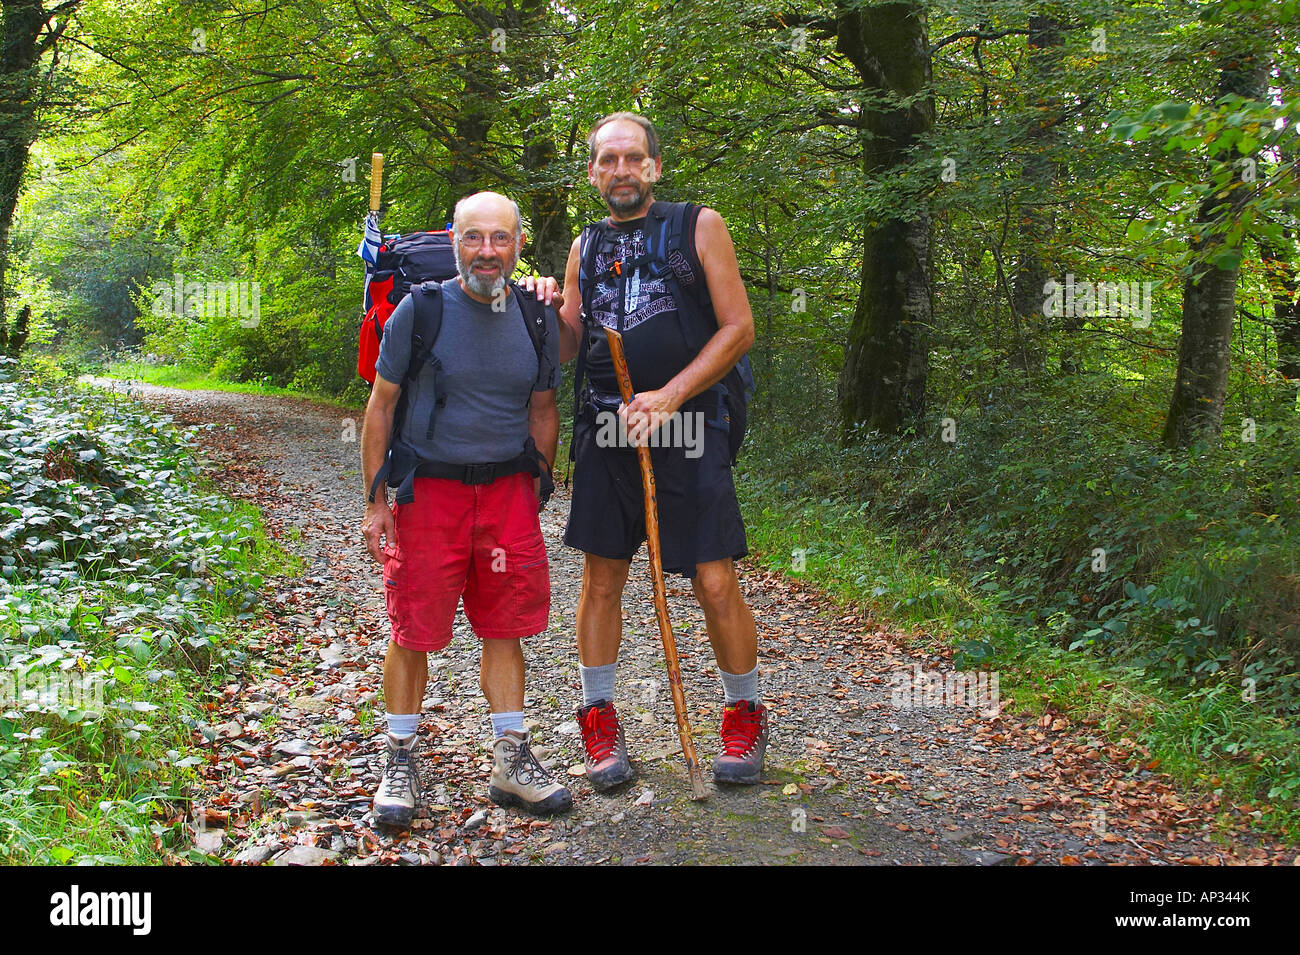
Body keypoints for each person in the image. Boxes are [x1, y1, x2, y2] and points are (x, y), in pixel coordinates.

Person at [556, 112, 767, 789]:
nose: (620, 169)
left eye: (632, 158)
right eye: (607, 160)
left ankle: (744, 713)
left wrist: (672, 395)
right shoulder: (584, 245)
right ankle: (598, 716)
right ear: (592, 172)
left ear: (653, 167)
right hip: (607, 428)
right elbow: (564, 344)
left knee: (713, 578)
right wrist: (530, 304)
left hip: (690, 423)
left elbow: (738, 329)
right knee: (602, 579)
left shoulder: (698, 225)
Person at [361, 191, 571, 825]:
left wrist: (537, 488)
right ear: (453, 241)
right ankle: (399, 757)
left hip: (507, 494)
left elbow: (543, 411)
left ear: (517, 245)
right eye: (474, 237)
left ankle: (511, 757)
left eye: (500, 239)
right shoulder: (420, 311)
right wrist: (376, 500)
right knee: (413, 627)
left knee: (506, 624)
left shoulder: (536, 318)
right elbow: (382, 405)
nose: (487, 250)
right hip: (430, 493)